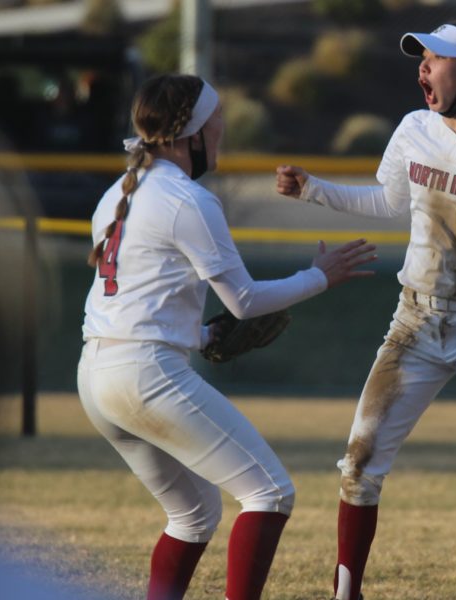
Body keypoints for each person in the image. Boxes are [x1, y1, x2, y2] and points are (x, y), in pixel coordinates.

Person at [276, 22, 456, 600]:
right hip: (417, 319)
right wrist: (314, 190)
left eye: (437, 59)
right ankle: (346, 590)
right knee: (359, 460)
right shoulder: (414, 128)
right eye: (423, 59)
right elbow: (388, 200)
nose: (423, 69)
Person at [77, 73, 376, 600]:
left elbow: (138, 299)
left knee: (193, 514)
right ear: (187, 133)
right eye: (216, 124)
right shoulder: (186, 199)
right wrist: (319, 277)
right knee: (269, 492)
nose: (222, 134)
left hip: (96, 374)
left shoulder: (118, 194)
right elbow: (245, 301)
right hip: (143, 372)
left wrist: (200, 332)